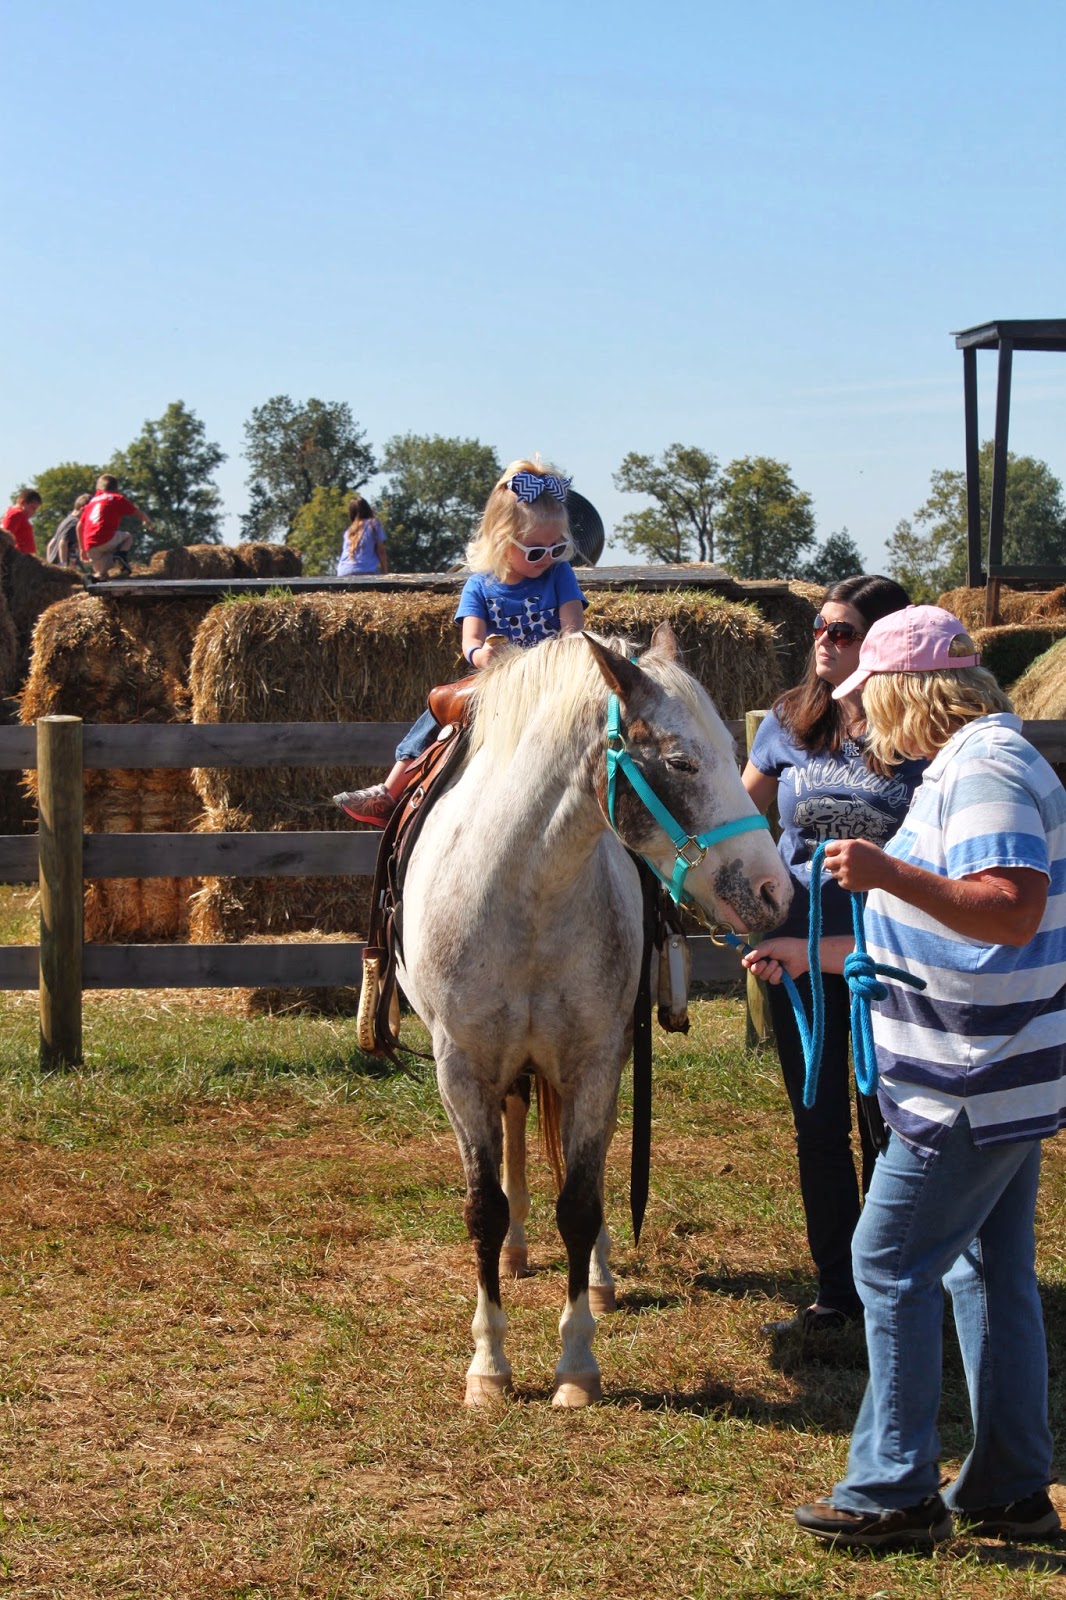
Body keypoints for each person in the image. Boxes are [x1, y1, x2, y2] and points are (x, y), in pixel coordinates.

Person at [743, 605, 1066, 1549]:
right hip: (997, 1068)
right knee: (986, 1268)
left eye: (868, 696)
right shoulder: (980, 764)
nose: (863, 718)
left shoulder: (988, 771)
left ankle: (893, 1489)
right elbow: (940, 932)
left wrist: (884, 871)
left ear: (907, 691)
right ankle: (1009, 1485)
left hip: (964, 1077)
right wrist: (820, 958)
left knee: (884, 1261)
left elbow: (1006, 910)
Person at [742, 576, 924, 1337]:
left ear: (878, 644)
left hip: (887, 947)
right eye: (819, 627)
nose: (824, 639)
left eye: (842, 631)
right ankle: (836, 1292)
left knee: (891, 1116)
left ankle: (900, 1283)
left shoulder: (913, 731)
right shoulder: (787, 722)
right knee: (816, 1120)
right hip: (798, 947)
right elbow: (741, 816)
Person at [334, 459, 585, 825]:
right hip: (498, 683)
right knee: (440, 705)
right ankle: (390, 790)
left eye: (556, 548)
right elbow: (470, 641)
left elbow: (573, 634)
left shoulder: (560, 574)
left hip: (553, 680)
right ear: (501, 541)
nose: (547, 558)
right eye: (535, 551)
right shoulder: (479, 586)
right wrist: (484, 655)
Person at [77, 474, 152, 580]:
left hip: (90, 545)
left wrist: (82, 549)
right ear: (116, 488)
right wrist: (147, 521)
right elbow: (138, 513)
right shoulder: (116, 498)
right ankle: (121, 556)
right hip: (106, 538)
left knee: (102, 573)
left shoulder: (91, 503)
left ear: (98, 488)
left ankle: (94, 578)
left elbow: (79, 526)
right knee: (127, 537)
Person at [337, 496, 388, 576]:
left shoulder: (348, 531)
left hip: (343, 572)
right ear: (368, 509)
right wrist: (385, 573)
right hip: (366, 570)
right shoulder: (374, 524)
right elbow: (381, 551)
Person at [46, 494, 91, 566]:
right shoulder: (75, 523)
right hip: (63, 565)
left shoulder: (66, 520)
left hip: (54, 564)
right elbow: (63, 542)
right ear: (83, 509)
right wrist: (64, 565)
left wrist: (49, 563)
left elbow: (51, 544)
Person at [1, 488, 43, 555]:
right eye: (33, 508)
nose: (34, 512)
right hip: (20, 559)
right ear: (22, 502)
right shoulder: (17, 514)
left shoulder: (11, 513)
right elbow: (4, 537)